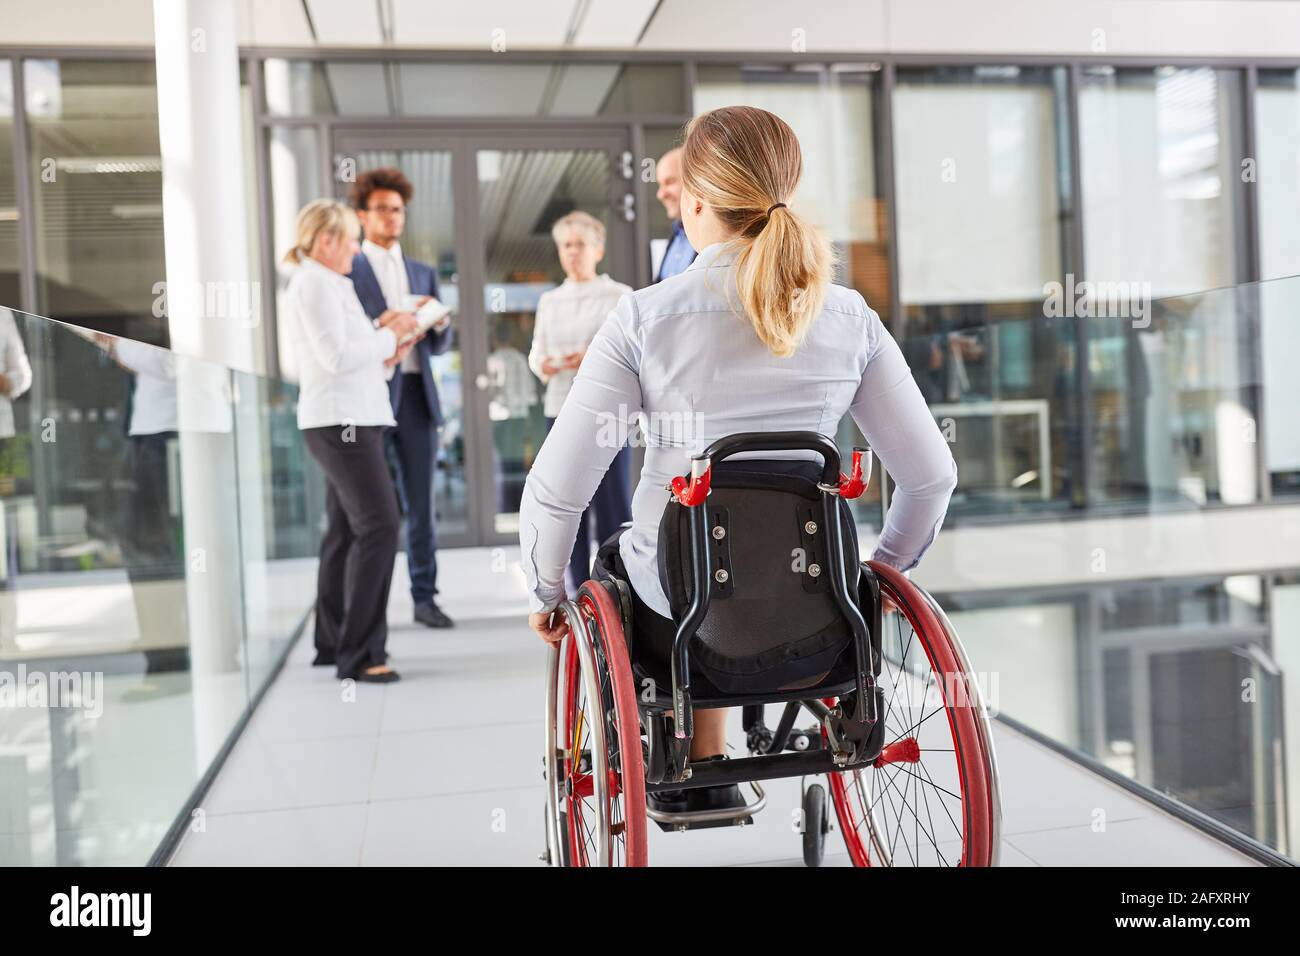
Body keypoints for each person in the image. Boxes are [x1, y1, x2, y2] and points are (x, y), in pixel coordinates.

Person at [517, 106, 957, 813]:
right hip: (821, 604)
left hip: (680, 610)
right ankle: (754, 733)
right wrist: (879, 580)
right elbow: (932, 476)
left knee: (625, 561)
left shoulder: (642, 320)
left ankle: (701, 757)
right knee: (746, 560)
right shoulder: (848, 318)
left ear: (695, 199)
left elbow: (558, 491)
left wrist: (544, 593)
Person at [283, 198, 421, 683]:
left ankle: (333, 640)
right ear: (326, 241)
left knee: (344, 533)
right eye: (348, 242)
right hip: (342, 424)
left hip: (351, 417)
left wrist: (392, 339)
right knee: (381, 525)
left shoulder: (328, 284)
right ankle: (360, 655)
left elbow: (356, 358)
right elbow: (337, 357)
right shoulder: (314, 284)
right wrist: (388, 339)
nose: (354, 253)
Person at [349, 167, 456, 629]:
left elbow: (440, 345)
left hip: (416, 397)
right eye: (382, 210)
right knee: (372, 510)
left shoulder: (422, 271)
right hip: (369, 397)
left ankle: (424, 597)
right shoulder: (349, 268)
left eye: (398, 210)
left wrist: (440, 322)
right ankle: (367, 608)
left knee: (421, 506)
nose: (392, 218)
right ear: (362, 215)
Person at [527, 211, 634, 594]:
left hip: (606, 412)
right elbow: (536, 352)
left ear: (598, 250)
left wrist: (589, 356)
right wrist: (546, 363)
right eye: (565, 246)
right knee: (567, 505)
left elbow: (622, 352)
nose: (572, 253)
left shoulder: (619, 296)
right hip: (560, 408)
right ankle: (576, 590)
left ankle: (618, 588)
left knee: (612, 504)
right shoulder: (550, 300)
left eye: (580, 244)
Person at [653, 147, 697, 282]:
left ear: (695, 180)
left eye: (670, 182)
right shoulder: (677, 236)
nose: (660, 194)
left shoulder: (718, 237)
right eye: (660, 185)